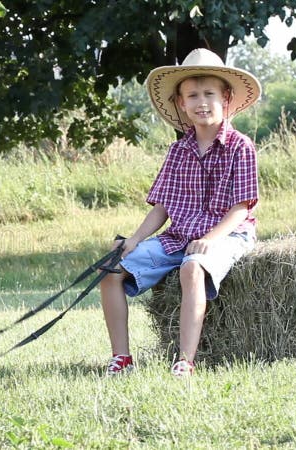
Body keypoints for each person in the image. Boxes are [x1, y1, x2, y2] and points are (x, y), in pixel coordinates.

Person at [100, 48, 262, 377]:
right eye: (193, 96)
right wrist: (134, 239)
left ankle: (185, 362)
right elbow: (162, 207)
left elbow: (240, 208)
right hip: (180, 235)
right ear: (181, 103)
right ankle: (122, 358)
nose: (202, 103)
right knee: (110, 270)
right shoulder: (178, 150)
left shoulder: (241, 146)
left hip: (227, 233)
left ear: (226, 97)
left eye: (209, 94)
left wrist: (209, 239)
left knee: (191, 270)